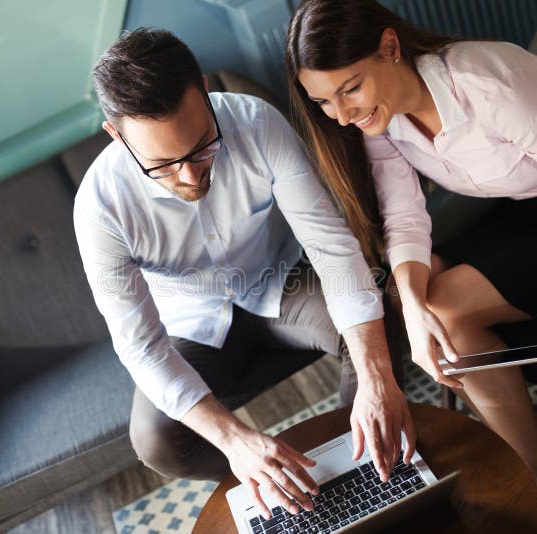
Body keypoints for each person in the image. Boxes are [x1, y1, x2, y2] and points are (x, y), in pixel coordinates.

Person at [285, 0, 537, 532]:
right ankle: (529, 447)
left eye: (351, 88)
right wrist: (411, 309)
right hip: (532, 209)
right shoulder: (379, 120)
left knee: (447, 308)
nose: (341, 115)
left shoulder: (488, 80)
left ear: (390, 47)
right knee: (417, 291)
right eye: (323, 101)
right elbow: (406, 222)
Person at [73, 27, 416, 519]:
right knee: (155, 440)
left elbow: (331, 247)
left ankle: (358, 467)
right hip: (191, 320)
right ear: (117, 134)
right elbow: (140, 347)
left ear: (207, 92)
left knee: (373, 331)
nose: (190, 177)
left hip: (281, 279)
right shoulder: (99, 209)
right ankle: (279, 483)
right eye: (163, 165)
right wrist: (237, 443)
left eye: (200, 147)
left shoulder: (257, 123)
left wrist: (377, 379)